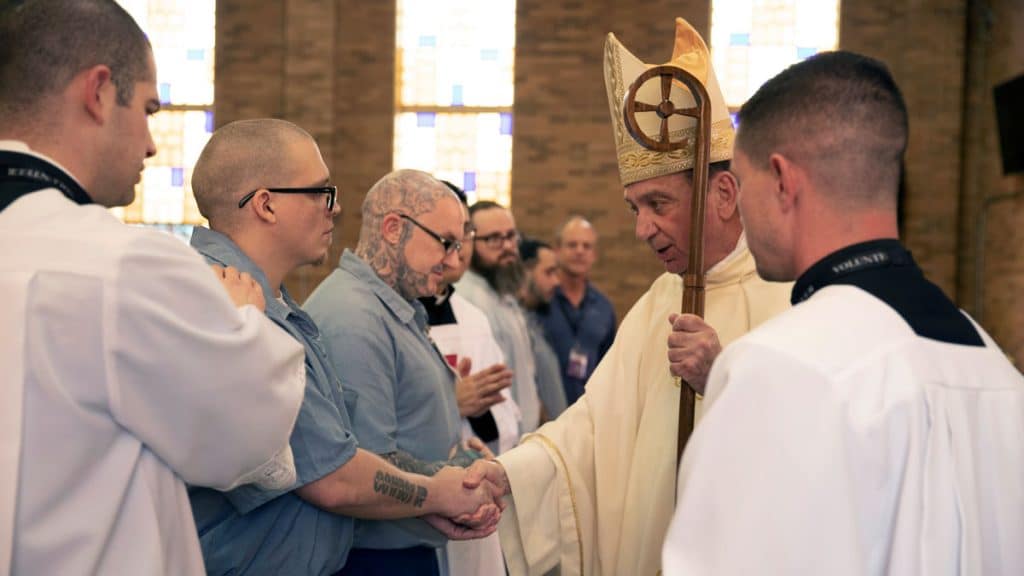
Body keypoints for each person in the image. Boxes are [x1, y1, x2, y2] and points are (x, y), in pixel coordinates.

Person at [662, 51, 1024, 575]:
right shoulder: (996, 370)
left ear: (783, 179)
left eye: (742, 183)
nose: (738, 209)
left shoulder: (777, 367)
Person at [463, 17, 792, 575]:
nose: (642, 229)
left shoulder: (791, 296)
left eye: (658, 204)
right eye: (633, 208)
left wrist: (722, 377)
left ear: (725, 192)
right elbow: (591, 430)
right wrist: (510, 473)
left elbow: (818, 450)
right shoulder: (661, 299)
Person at [0, 2, 308, 574]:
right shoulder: (121, 264)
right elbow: (249, 438)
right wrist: (248, 321)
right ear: (97, 92)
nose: (149, 144)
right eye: (146, 109)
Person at [185, 120, 500, 576]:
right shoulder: (223, 301)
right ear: (266, 204)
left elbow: (333, 447)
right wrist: (441, 491)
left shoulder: (272, 302)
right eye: (321, 192)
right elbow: (329, 477)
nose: (335, 209)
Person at [304, 170, 498, 575]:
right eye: (445, 243)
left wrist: (461, 457)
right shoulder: (354, 317)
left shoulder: (395, 305)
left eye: (459, 246)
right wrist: (462, 477)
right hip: (374, 557)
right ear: (394, 229)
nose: (452, 260)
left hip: (404, 543)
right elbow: (364, 462)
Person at [420, 181, 516, 576]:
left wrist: (480, 416)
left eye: (464, 235)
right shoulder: (390, 315)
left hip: (477, 480)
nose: (457, 247)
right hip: (420, 494)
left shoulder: (472, 316)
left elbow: (506, 414)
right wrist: (451, 402)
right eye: (448, 236)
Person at [457, 202, 545, 430]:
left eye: (511, 236)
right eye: (494, 239)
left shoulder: (503, 293)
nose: (507, 246)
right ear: (469, 242)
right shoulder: (466, 299)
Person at [540, 216, 617, 405]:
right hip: (544, 413)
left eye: (586, 246)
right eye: (572, 245)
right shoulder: (540, 300)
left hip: (587, 413)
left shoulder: (603, 308)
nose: (580, 251)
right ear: (556, 250)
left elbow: (609, 368)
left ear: (594, 255)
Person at [518, 237, 568, 418]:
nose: (556, 282)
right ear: (525, 272)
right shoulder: (515, 327)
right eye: (549, 273)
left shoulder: (536, 320)